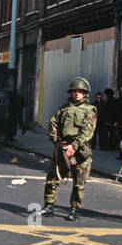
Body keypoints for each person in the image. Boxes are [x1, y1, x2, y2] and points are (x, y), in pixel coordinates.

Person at [43, 77, 97, 222]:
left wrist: (74, 146)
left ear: (85, 93)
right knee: (53, 178)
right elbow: (53, 123)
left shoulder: (89, 110)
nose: (77, 94)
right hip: (63, 147)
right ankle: (48, 205)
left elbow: (88, 132)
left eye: (80, 91)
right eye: (74, 91)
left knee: (79, 183)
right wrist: (57, 142)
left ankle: (74, 209)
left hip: (80, 150)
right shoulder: (63, 108)